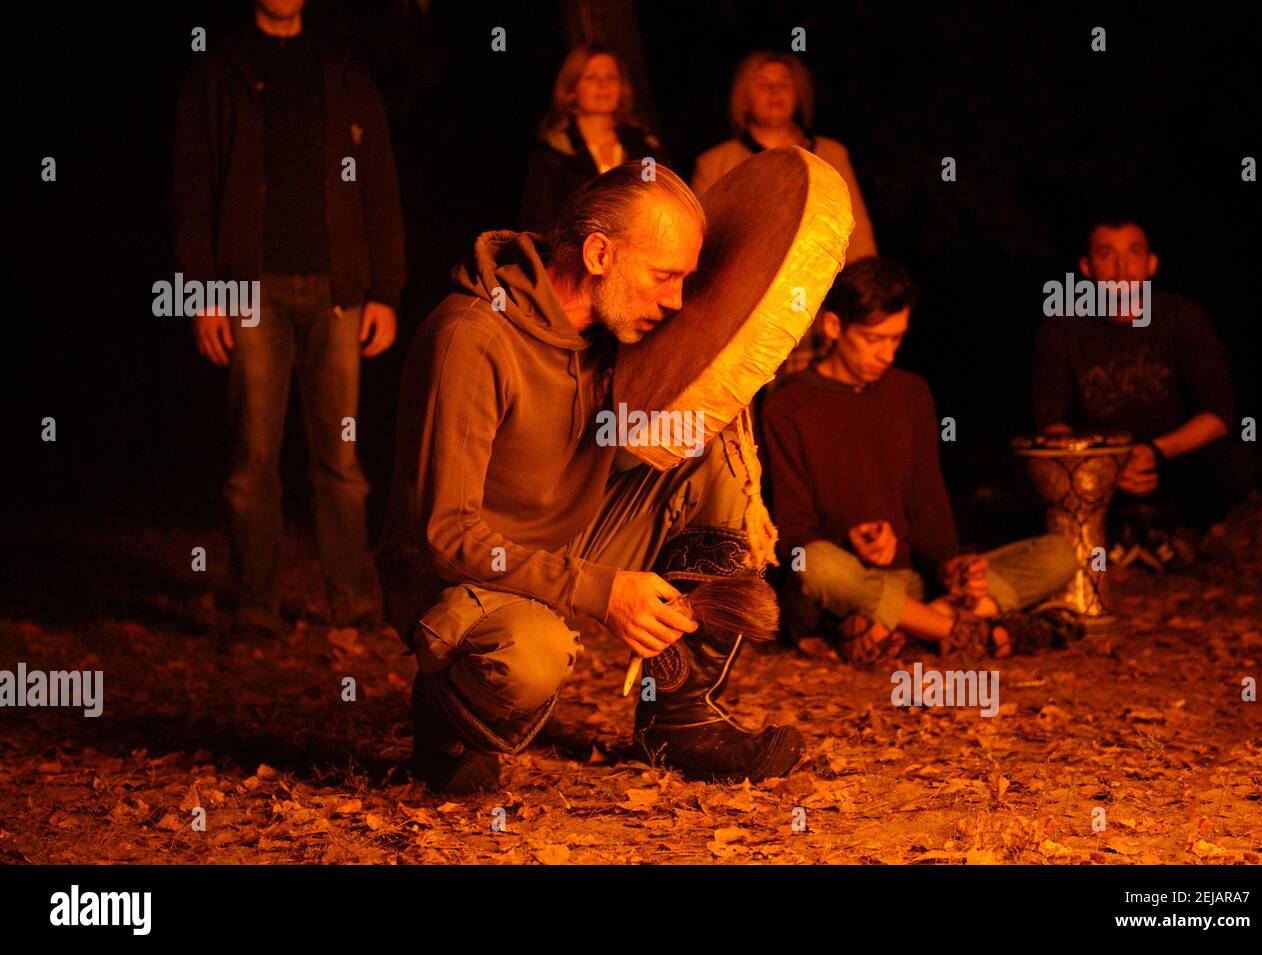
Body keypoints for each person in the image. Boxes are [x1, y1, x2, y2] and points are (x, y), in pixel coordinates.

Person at [378, 163, 803, 794]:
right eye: (664, 277)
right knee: (532, 654)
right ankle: (447, 715)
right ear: (600, 253)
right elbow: (445, 535)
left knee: (716, 459)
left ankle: (677, 716)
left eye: (685, 280)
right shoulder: (471, 337)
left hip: (571, 540)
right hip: (466, 575)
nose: (677, 300)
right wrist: (601, 591)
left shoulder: (612, 329)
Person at [175, 0, 406, 640]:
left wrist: (385, 288)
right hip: (249, 291)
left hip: (338, 291)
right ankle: (256, 608)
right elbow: (194, 190)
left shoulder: (343, 70)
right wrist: (202, 294)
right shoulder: (220, 72)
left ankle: (355, 605)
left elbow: (379, 181)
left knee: (341, 459)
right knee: (252, 457)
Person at [761, 258, 1080, 666]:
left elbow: (928, 499)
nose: (886, 354)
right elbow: (791, 535)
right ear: (834, 327)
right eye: (874, 339)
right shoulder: (789, 405)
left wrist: (952, 567)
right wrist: (853, 542)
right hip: (830, 586)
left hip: (908, 581)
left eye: (896, 340)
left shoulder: (910, 393)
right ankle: (958, 629)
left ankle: (903, 622)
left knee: (1059, 554)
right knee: (819, 565)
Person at [1031, 216, 1255, 567]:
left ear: (1151, 264)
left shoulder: (1182, 316)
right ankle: (1113, 531)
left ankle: (1176, 529)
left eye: (1133, 253)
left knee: (1236, 460)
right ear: (1086, 267)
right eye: (1107, 254)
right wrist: (1106, 465)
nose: (1121, 267)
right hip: (1097, 468)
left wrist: (1155, 452)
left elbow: (1218, 415)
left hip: (1170, 462)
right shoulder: (1061, 327)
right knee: (1032, 468)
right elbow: (1050, 421)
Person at [693, 52, 878, 379]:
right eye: (764, 85)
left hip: (821, 309)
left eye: (784, 84)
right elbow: (699, 249)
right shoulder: (717, 163)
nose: (775, 93)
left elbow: (858, 234)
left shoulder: (831, 154)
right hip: (746, 318)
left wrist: (863, 303)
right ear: (744, 99)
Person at [519, 44, 669, 234]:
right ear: (571, 90)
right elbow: (537, 224)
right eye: (591, 77)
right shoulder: (554, 154)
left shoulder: (644, 146)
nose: (603, 85)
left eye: (611, 77)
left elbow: (665, 205)